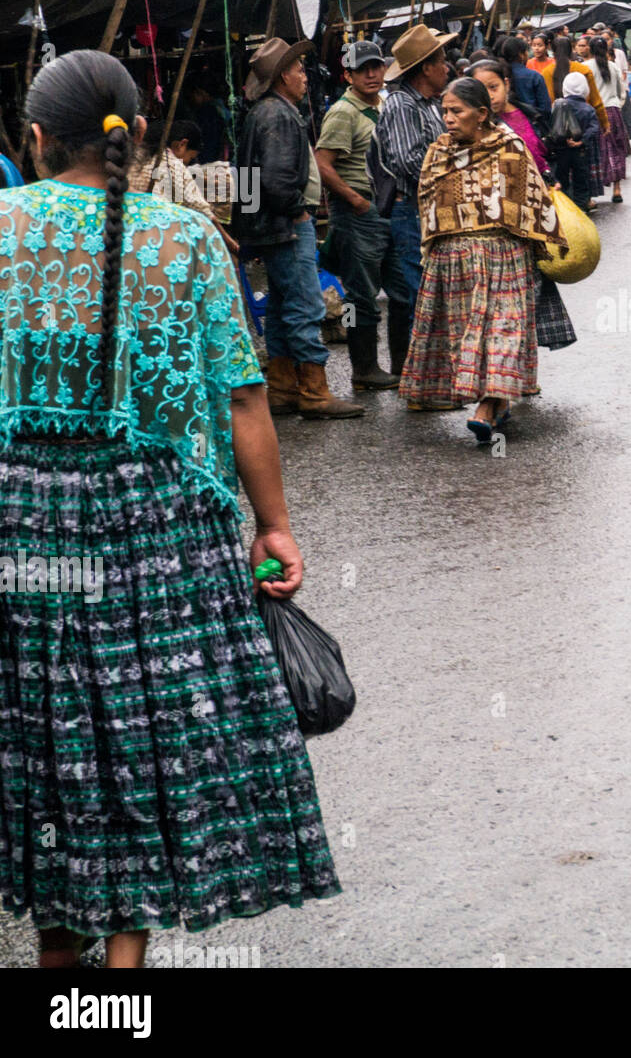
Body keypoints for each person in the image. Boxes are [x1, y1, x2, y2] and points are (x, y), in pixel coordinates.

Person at [0, 50, 339, 968]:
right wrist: (273, 524)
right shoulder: (181, 239)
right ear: (137, 137)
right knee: (140, 742)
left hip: (20, 524)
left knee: (41, 737)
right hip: (156, 523)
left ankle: (57, 962)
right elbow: (242, 398)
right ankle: (121, 975)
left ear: (34, 140)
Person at [399, 77, 567, 442]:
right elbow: (428, 203)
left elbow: (532, 198)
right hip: (455, 264)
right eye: (444, 111)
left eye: (456, 111)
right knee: (470, 337)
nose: (448, 118)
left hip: (505, 257)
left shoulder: (510, 148)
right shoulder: (438, 153)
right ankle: (497, 403)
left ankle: (487, 408)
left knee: (502, 332)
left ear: (481, 114)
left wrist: (546, 242)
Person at [231, 37, 363, 418]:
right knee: (305, 305)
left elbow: (250, 181)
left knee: (282, 303)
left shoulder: (261, 112)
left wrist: (253, 224)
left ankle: (283, 388)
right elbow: (271, 179)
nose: (305, 76)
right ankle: (314, 392)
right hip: (286, 225)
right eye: (299, 70)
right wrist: (296, 212)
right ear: (282, 77)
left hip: (270, 226)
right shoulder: (279, 114)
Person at [316, 39, 411, 390]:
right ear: (348, 75)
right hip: (359, 212)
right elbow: (323, 164)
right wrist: (355, 200)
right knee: (361, 296)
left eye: (376, 67)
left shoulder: (386, 104)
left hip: (390, 210)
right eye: (363, 70)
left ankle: (402, 366)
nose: (372, 74)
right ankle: (364, 369)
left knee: (403, 291)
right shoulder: (343, 112)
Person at [471, 59, 576, 362]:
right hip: (498, 222)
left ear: (507, 84)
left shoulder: (525, 116)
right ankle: (506, 368)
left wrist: (550, 181)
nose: (490, 95)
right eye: (482, 89)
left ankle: (526, 367)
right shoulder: (476, 128)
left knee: (531, 293)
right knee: (503, 299)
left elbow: (539, 155)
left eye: (494, 86)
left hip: (533, 217)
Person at [374, 24, 456, 314]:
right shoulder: (402, 105)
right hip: (411, 210)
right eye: (442, 61)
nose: (447, 68)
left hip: (427, 209)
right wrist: (451, 173)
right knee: (423, 297)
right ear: (426, 69)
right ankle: (419, 358)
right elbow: (408, 161)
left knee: (435, 293)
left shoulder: (429, 105)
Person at [549, 71, 601, 210]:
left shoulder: (558, 105)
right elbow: (594, 128)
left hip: (561, 150)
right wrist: (581, 141)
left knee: (562, 178)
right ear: (585, 89)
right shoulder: (588, 109)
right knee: (581, 180)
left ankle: (566, 208)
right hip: (580, 151)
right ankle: (581, 207)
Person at [588, 36, 629, 202]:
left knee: (594, 152)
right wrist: (617, 104)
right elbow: (622, 92)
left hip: (593, 112)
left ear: (590, 50)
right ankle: (617, 189)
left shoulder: (585, 67)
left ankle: (590, 195)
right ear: (606, 50)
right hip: (613, 111)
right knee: (616, 150)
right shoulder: (613, 67)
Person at [501, 35, 552, 124]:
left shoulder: (500, 75)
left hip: (506, 125)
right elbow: (546, 109)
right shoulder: (534, 76)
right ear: (521, 54)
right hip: (532, 124)